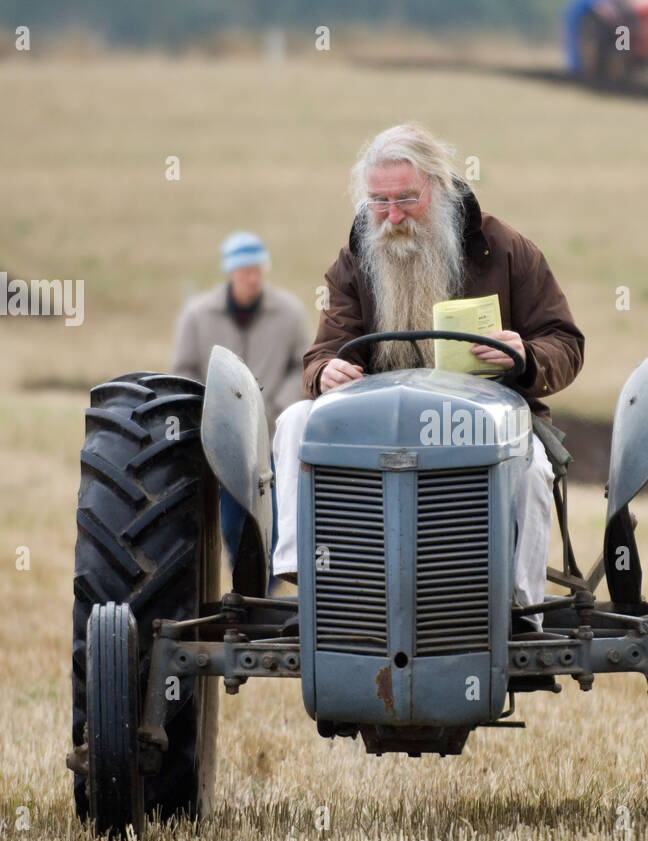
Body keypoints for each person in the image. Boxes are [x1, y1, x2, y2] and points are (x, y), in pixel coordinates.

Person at [271, 122, 585, 618]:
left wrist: (524, 354)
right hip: (380, 425)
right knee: (294, 422)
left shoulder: (505, 249)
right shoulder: (356, 256)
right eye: (378, 201)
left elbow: (566, 343)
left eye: (406, 199)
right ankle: (301, 571)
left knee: (536, 469)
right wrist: (325, 371)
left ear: (438, 187)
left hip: (485, 423)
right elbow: (323, 351)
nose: (392, 216)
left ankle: (522, 611)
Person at [171, 231, 311, 567]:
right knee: (232, 524)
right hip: (223, 441)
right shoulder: (197, 315)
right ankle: (246, 584)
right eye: (245, 271)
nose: (252, 278)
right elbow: (184, 370)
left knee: (279, 519)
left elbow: (302, 365)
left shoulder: (290, 313)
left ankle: (268, 588)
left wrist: (276, 405)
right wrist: (214, 410)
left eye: (258, 270)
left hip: (273, 436)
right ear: (230, 272)